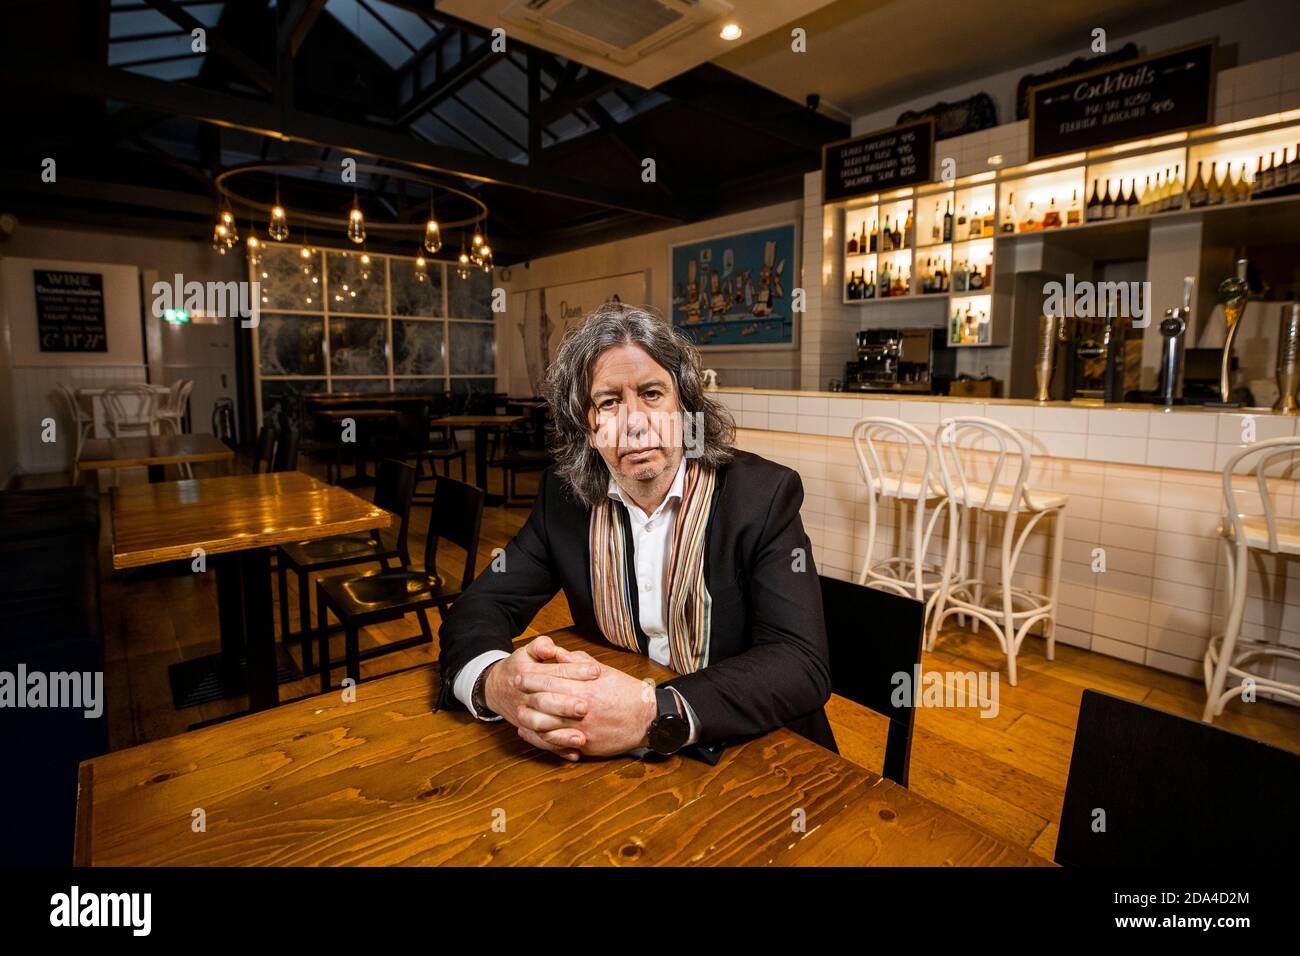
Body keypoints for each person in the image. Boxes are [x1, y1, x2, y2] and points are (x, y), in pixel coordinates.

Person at [436, 303, 833, 763]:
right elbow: (483, 604)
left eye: (651, 394)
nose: (635, 422)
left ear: (685, 406)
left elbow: (799, 662)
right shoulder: (566, 502)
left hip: (766, 753)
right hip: (614, 764)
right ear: (586, 426)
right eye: (608, 402)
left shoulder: (762, 495)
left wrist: (651, 712)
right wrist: (494, 683)